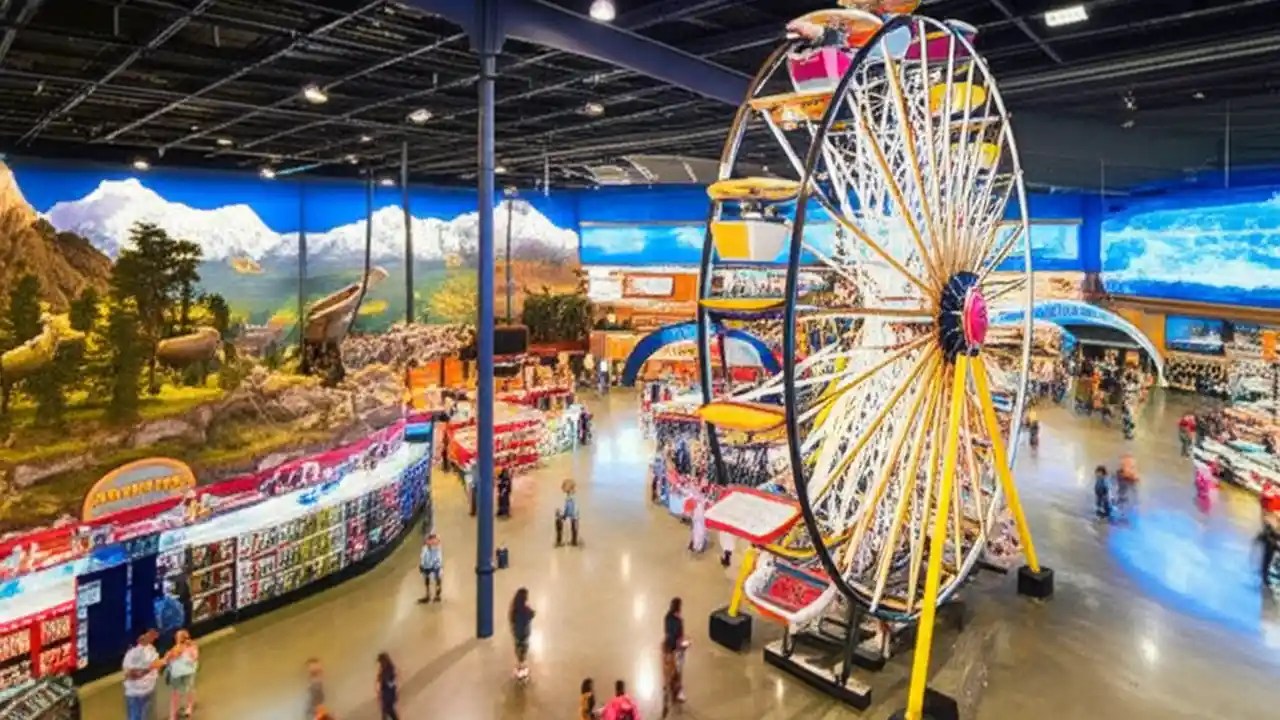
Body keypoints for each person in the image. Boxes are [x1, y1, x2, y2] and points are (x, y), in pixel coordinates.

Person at [123, 629, 164, 720]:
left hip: (149, 691)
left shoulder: (152, 650)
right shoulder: (131, 653)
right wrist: (149, 668)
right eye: (151, 634)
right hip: (135, 694)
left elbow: (157, 667)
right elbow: (129, 674)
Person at [164, 629, 199, 720]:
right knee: (176, 693)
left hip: (187, 673)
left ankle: (188, 708)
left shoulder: (191, 646)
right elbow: (168, 659)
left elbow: (194, 657)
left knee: (187, 690)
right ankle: (174, 715)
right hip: (178, 674)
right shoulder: (176, 649)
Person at [661, 597, 688, 716]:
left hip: (667, 648)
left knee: (668, 670)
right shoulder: (679, 621)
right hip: (676, 649)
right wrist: (683, 645)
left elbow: (667, 633)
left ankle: (668, 687)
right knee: (677, 671)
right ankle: (677, 691)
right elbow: (680, 638)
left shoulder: (667, 617)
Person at [509, 588, 535, 681]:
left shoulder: (514, 609)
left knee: (519, 649)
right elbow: (531, 615)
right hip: (523, 633)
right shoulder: (525, 609)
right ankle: (522, 669)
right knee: (523, 650)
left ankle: (519, 667)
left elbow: (512, 620)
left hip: (517, 633)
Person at [153, 582, 185, 654]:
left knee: (163, 650)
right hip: (176, 629)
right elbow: (181, 612)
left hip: (165, 632)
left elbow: (158, 620)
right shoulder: (173, 601)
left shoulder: (156, 604)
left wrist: (160, 631)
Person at [419, 534, 443, 603]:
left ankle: (437, 595)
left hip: (435, 566)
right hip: (426, 566)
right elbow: (422, 557)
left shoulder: (437, 548)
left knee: (438, 579)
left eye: (432, 541)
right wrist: (421, 565)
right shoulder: (425, 548)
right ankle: (428, 595)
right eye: (429, 541)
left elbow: (438, 558)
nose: (430, 542)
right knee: (427, 580)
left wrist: (437, 565)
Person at [376, 652, 399, 720]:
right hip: (386, 694)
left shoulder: (390, 669)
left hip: (389, 694)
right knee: (388, 711)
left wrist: (383, 678)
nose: (380, 663)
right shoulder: (384, 669)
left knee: (387, 711)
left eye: (381, 661)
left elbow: (391, 683)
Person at [557, 479, 580, 547]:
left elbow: (568, 507)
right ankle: (574, 541)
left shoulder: (568, 497)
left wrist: (563, 515)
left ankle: (559, 541)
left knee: (558, 522)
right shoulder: (572, 496)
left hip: (571, 512)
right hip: (575, 514)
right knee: (574, 528)